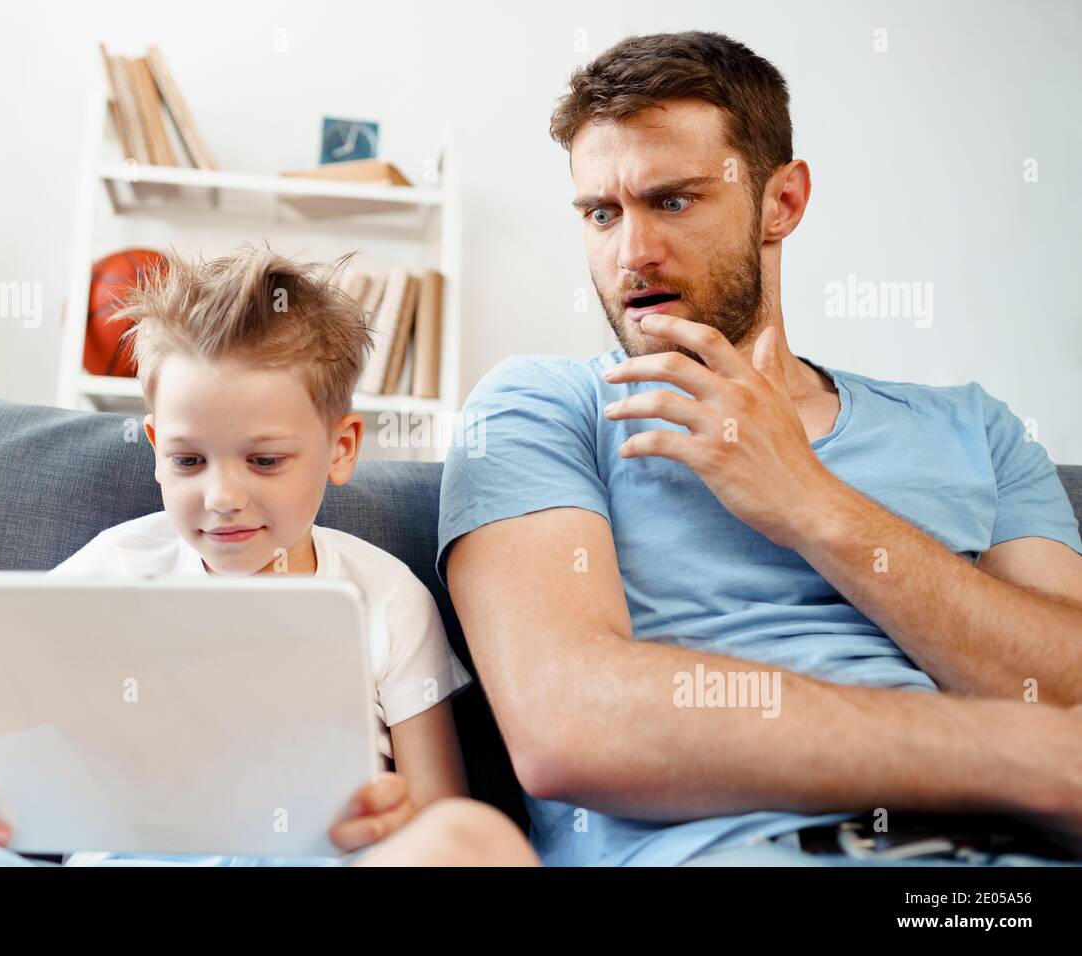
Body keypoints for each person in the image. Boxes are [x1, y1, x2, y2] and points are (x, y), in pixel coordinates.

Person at [438, 30, 1082, 866]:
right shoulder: (540, 409)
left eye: (672, 201)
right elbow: (571, 724)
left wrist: (813, 504)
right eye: (602, 213)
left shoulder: (974, 427)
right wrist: (1019, 755)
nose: (632, 254)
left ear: (782, 202)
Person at [0, 246, 538, 867]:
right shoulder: (114, 565)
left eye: (265, 461)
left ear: (340, 449)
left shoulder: (384, 597)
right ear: (154, 450)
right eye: (188, 462)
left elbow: (441, 816)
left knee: (476, 844)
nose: (222, 497)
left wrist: (382, 825)